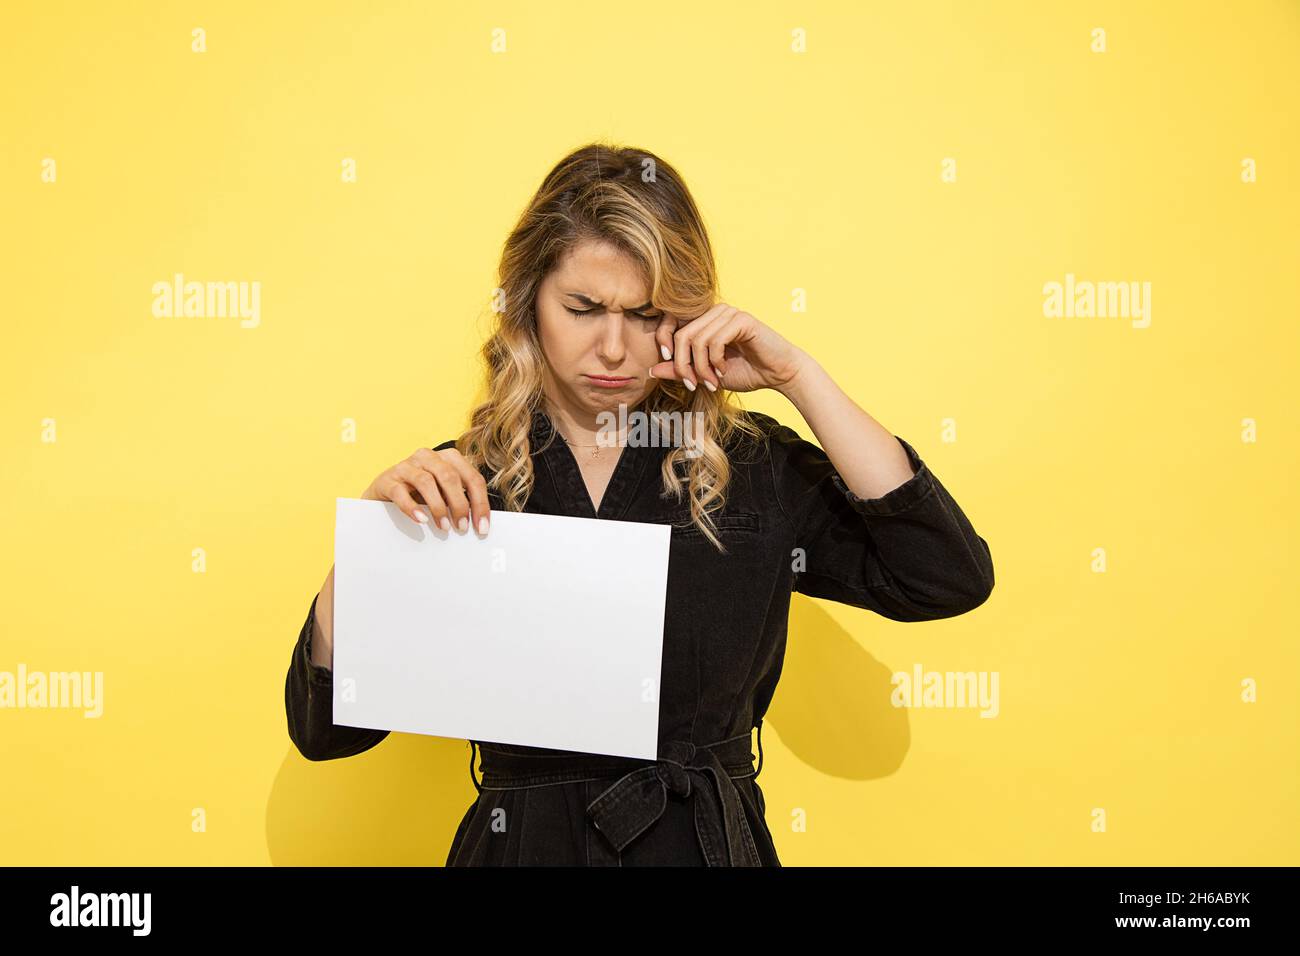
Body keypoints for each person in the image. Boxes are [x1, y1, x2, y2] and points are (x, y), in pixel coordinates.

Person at [284, 142, 995, 866]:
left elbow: (943, 576)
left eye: (647, 313)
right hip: (525, 849)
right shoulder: (466, 481)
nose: (615, 348)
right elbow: (325, 731)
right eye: (583, 308)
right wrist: (369, 541)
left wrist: (796, 375)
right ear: (529, 304)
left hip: (699, 845)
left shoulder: (751, 467)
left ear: (686, 316)